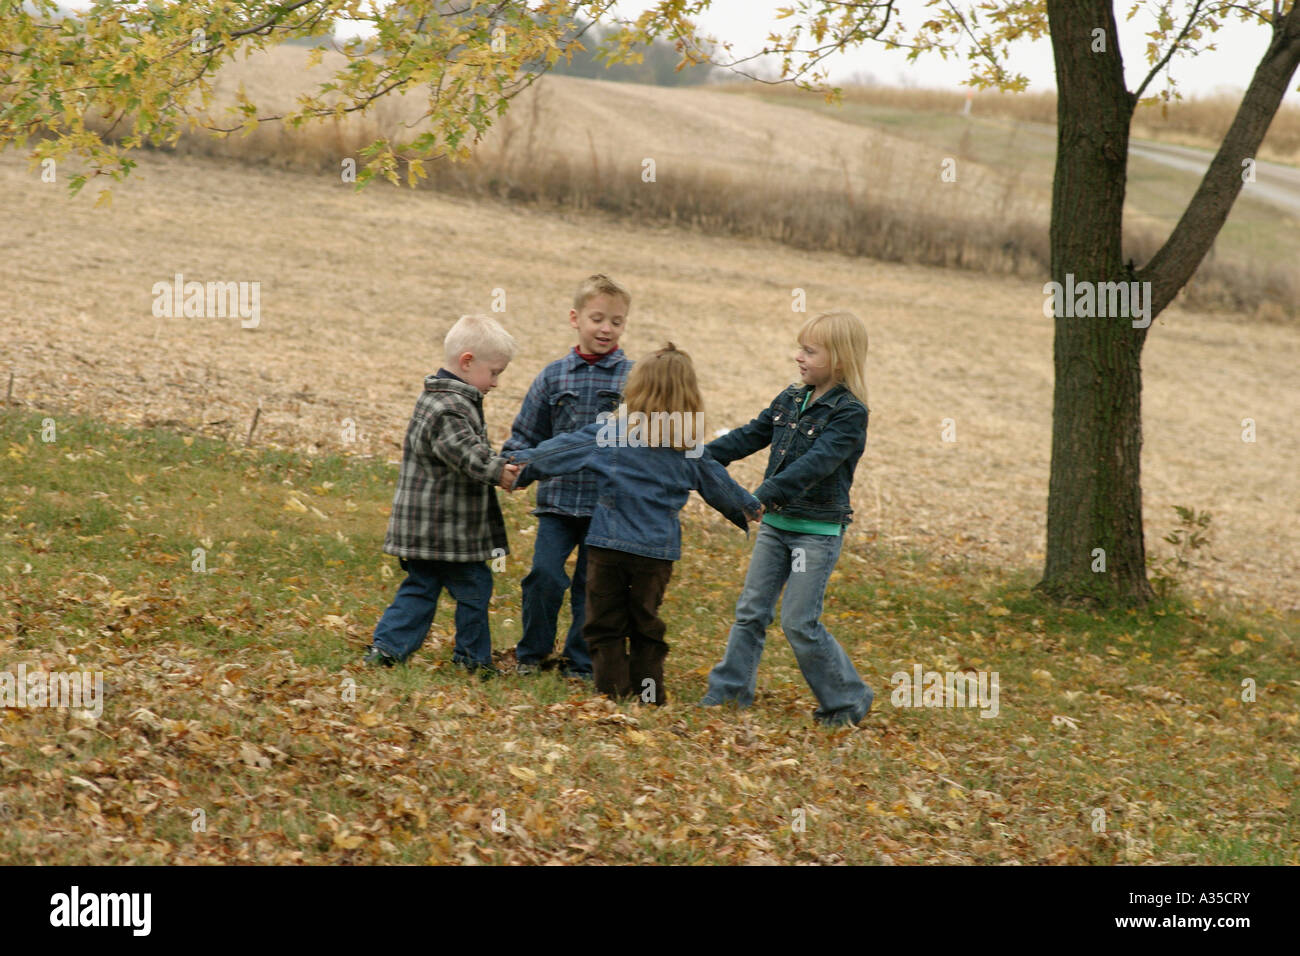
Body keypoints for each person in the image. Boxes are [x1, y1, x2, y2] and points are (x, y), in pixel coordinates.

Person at [507, 343, 760, 704]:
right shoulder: (686, 444)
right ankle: (649, 696)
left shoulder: (610, 433)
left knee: (604, 626)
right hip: (657, 555)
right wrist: (750, 508)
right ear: (689, 395)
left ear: (636, 388)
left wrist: (516, 464)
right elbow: (719, 484)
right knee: (646, 626)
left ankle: (611, 696)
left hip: (609, 548)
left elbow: (559, 451)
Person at [699, 311, 874, 726]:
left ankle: (847, 701)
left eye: (809, 351)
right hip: (778, 527)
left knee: (799, 622)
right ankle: (729, 693)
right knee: (751, 611)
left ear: (841, 358)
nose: (798, 356)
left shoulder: (850, 414)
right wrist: (699, 458)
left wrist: (761, 497)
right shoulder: (791, 399)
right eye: (800, 347)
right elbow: (748, 436)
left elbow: (817, 463)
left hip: (816, 534)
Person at [363, 314, 520, 676]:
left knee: (421, 587)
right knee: (475, 588)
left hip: (427, 528)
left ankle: (387, 650)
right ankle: (474, 661)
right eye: (494, 372)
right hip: (443, 530)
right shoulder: (450, 406)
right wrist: (497, 470)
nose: (496, 383)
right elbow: (464, 452)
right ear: (467, 362)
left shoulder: (443, 397)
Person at [501, 274, 633, 680]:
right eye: (597, 318)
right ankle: (531, 654)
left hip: (607, 505)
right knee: (544, 576)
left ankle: (581, 662)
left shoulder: (634, 379)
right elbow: (526, 433)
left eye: (616, 321)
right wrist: (511, 466)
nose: (606, 329)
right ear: (575, 318)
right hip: (557, 502)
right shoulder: (553, 377)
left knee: (593, 588)